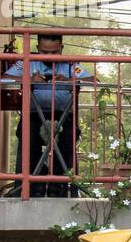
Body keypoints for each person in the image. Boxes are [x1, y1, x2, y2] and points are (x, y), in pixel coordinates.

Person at [5, 32, 92, 197]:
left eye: (54, 52)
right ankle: (33, 184)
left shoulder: (71, 65)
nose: (49, 56)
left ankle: (58, 185)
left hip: (63, 114)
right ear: (37, 49)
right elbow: (5, 78)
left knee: (69, 137)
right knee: (27, 136)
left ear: (61, 49)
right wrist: (28, 79)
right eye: (45, 52)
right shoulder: (27, 62)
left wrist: (69, 81)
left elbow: (93, 80)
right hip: (34, 113)